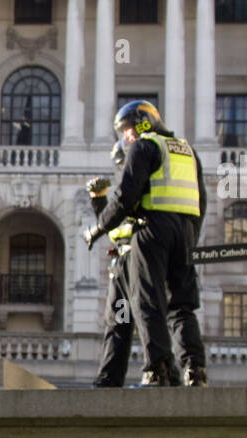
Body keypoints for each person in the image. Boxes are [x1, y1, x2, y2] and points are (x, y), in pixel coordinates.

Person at [84, 100, 207, 387]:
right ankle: (195, 370)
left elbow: (126, 199)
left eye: (127, 129)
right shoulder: (188, 150)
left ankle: (159, 369)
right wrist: (192, 238)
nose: (126, 137)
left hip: (151, 232)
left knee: (147, 301)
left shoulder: (144, 146)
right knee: (182, 306)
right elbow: (201, 200)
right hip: (186, 231)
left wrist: (97, 228)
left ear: (141, 122)